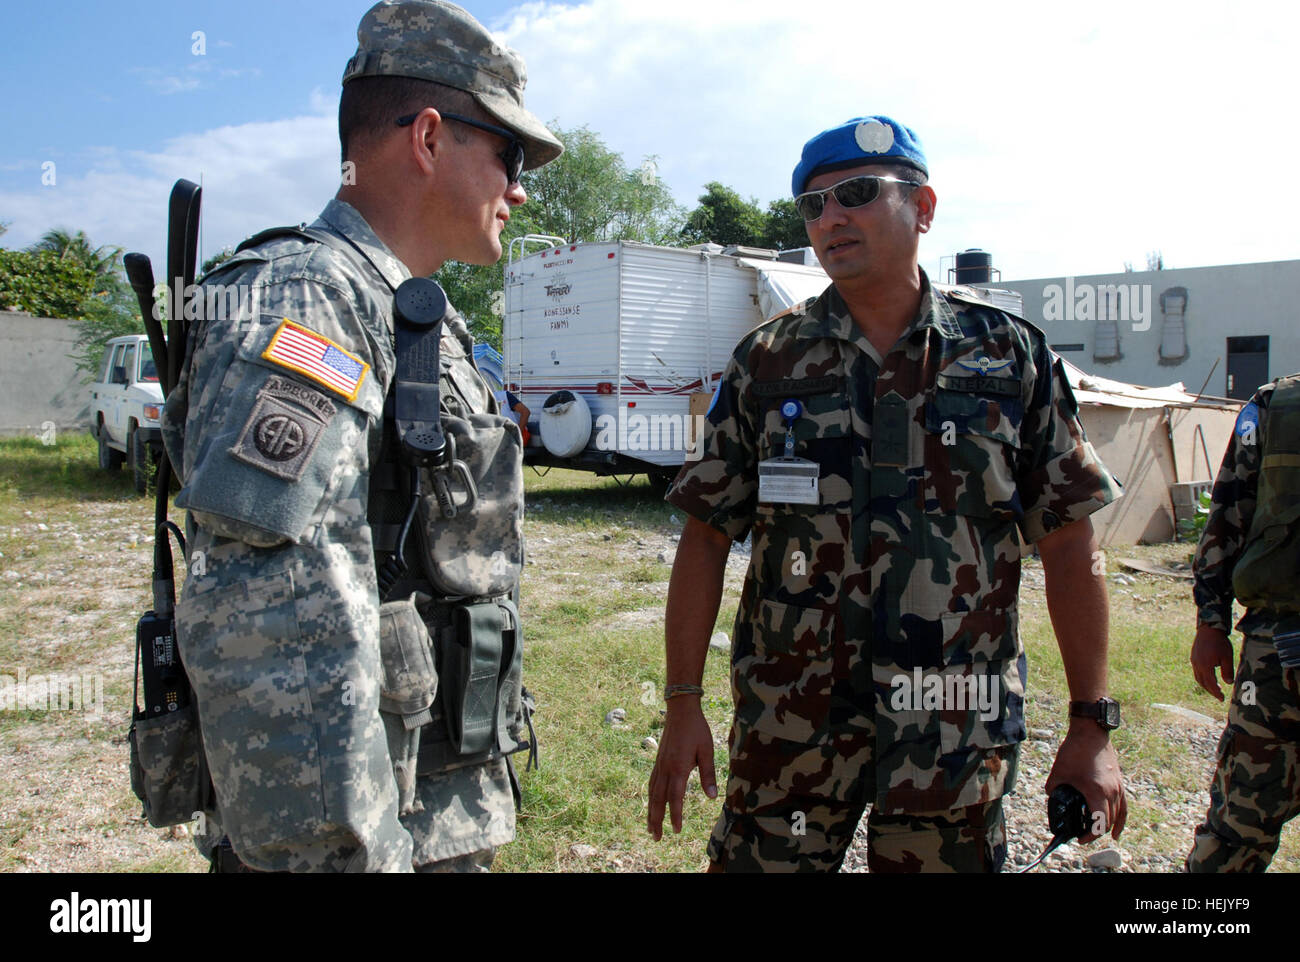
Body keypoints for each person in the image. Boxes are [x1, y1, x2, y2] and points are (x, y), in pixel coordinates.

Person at [647, 116, 1127, 872]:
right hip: (791, 734)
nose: (830, 218)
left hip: (952, 743)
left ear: (924, 209)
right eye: (812, 205)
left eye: (857, 194)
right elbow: (705, 537)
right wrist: (683, 703)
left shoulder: (1009, 356)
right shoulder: (767, 362)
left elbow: (1071, 545)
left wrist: (1091, 726)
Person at [161, 0, 561, 873]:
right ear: (427, 138)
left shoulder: (406, 311)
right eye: (510, 155)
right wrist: (348, 854)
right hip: (360, 838)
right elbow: (277, 608)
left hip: (426, 807)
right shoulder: (310, 300)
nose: (519, 188)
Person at [1187, 374, 1300, 872]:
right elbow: (1229, 513)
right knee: (1240, 824)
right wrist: (1211, 622)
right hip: (1278, 650)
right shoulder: (1276, 407)